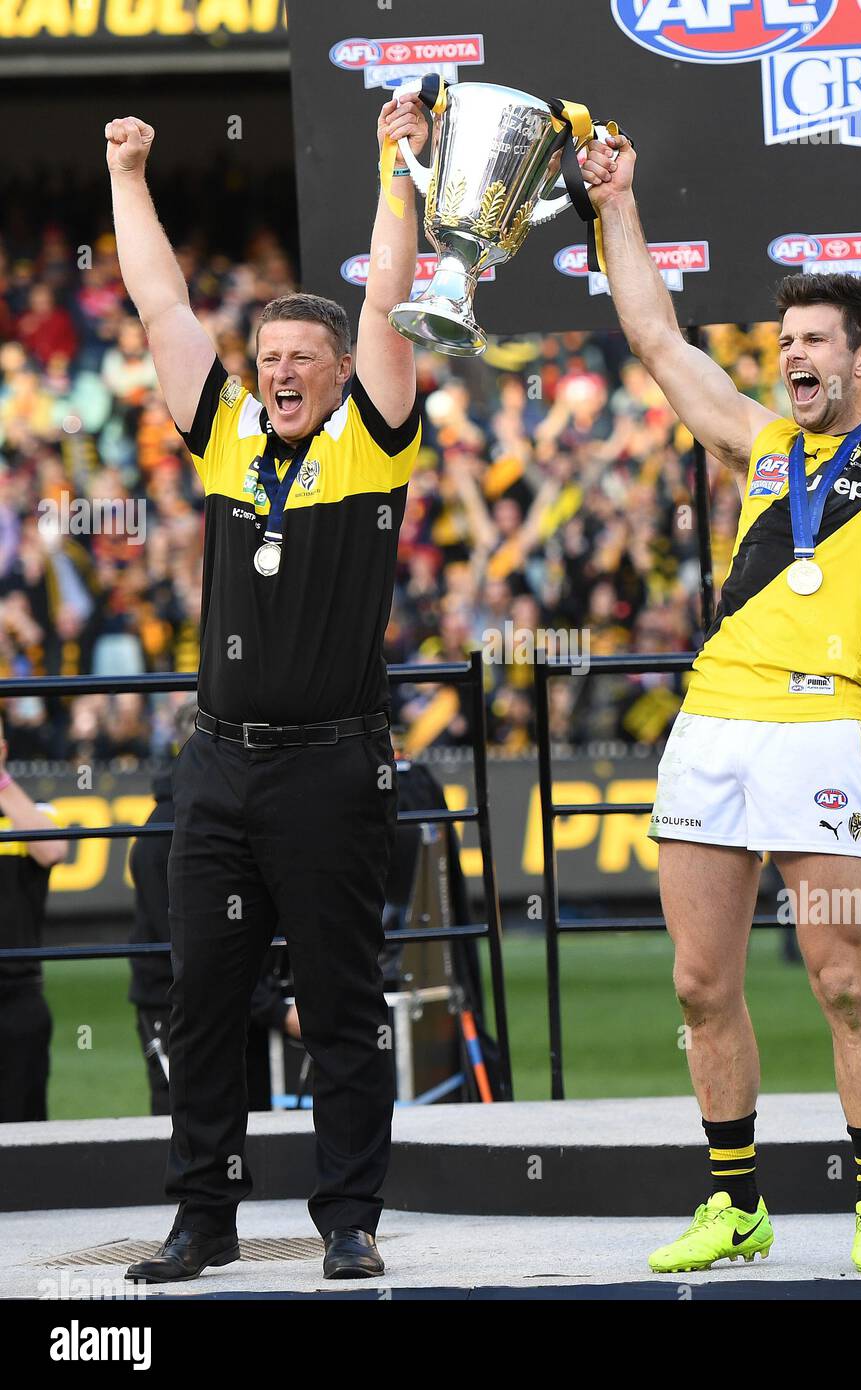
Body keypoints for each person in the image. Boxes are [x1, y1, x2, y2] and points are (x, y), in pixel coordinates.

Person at [582, 134, 861, 1274]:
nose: (792, 360)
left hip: (817, 729)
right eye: (786, 344)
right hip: (709, 725)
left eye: (815, 343)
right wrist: (620, 202)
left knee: (837, 974)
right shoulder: (757, 442)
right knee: (697, 981)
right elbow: (652, 337)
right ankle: (737, 1204)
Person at [105, 94, 426, 1283]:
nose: (280, 373)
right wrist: (129, 176)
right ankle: (204, 1219)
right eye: (269, 360)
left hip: (334, 765)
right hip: (221, 764)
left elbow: (390, 296)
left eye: (303, 360)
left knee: (341, 1002)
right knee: (204, 1004)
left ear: (345, 373)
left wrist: (401, 165)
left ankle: (348, 1220)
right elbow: (158, 303)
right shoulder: (229, 435)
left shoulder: (374, 441)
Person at [128, 699, 300, 1116]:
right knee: (188, 1116)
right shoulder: (165, 835)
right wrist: (277, 1012)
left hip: (233, 1000)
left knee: (236, 1114)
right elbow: (191, 948)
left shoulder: (213, 819)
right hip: (177, 1005)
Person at [0, 710, 68, 1121]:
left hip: (17, 994)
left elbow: (53, 850)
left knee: (23, 1124)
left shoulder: (34, 812)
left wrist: (2, 783)